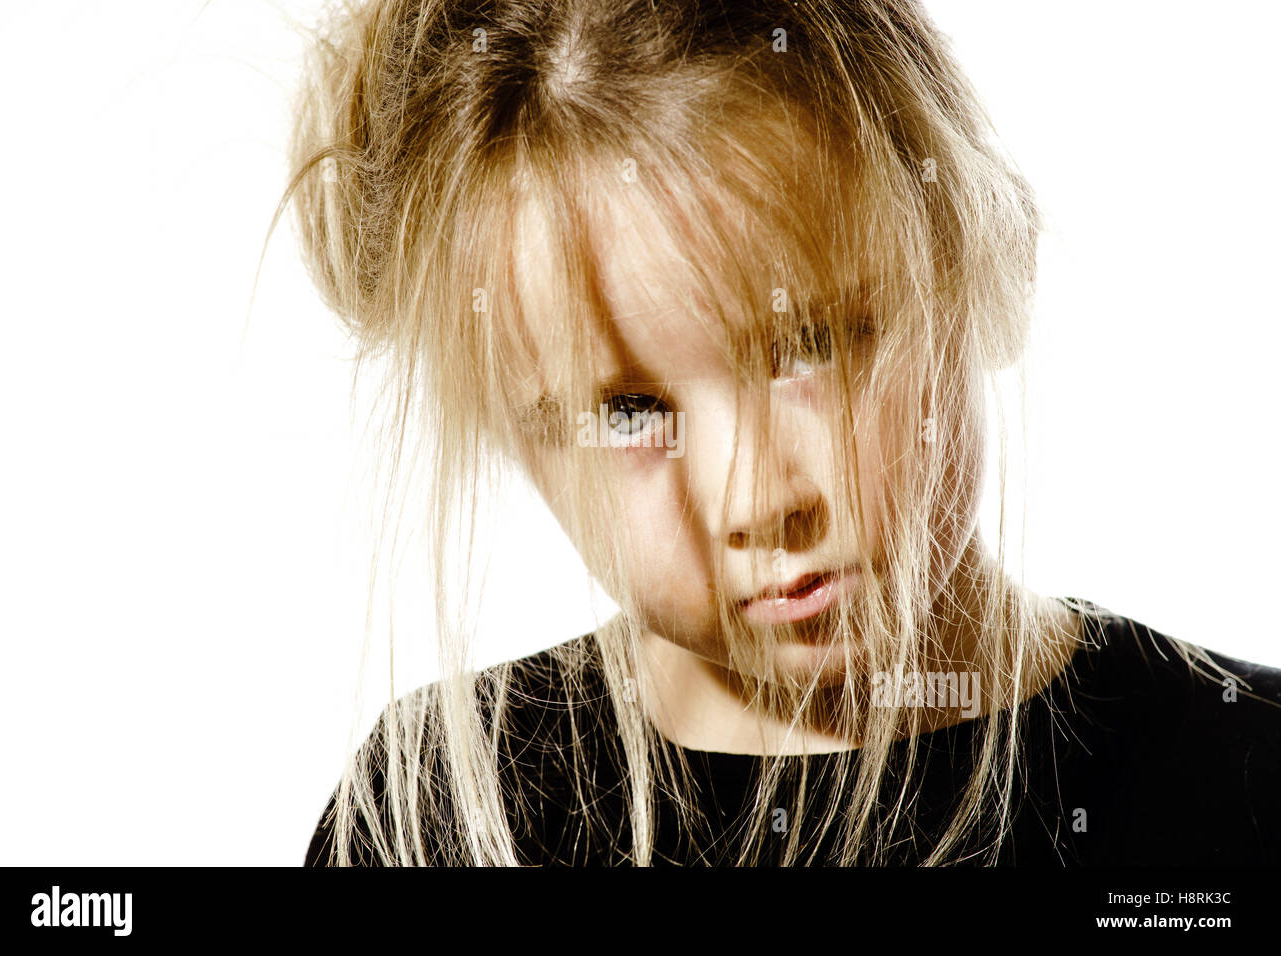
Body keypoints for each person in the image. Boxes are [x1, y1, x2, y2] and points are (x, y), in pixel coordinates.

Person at [287, 0, 1281, 866]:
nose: (759, 499)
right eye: (628, 413)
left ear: (970, 250)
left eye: (812, 344)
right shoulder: (441, 823)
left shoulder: (1245, 776)